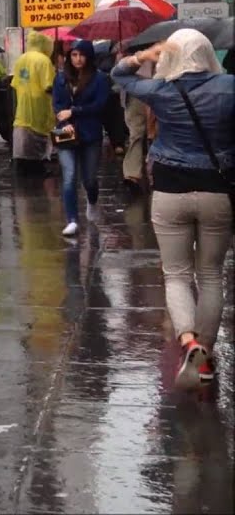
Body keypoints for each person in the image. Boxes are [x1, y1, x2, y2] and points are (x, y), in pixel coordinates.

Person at [112, 30, 233, 390]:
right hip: (217, 190)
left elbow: (119, 75)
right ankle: (206, 354)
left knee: (176, 274)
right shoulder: (228, 87)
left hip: (169, 191)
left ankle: (189, 343)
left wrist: (144, 55)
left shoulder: (162, 91)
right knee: (211, 273)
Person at [53, 39, 111, 236]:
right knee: (69, 177)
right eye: (74, 55)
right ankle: (72, 220)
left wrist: (75, 111)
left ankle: (92, 201)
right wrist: (63, 119)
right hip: (66, 133)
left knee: (90, 180)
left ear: (89, 57)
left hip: (90, 134)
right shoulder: (61, 78)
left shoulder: (100, 78)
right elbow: (57, 104)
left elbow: (100, 105)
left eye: (82, 55)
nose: (78, 59)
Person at [11, 31, 57, 175]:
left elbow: (15, 83)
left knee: (23, 135)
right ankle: (38, 168)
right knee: (38, 135)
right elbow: (49, 85)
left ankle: (23, 167)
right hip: (40, 105)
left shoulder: (21, 59)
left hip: (23, 105)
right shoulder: (44, 60)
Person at [121, 50, 154, 191]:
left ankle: (138, 173)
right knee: (137, 134)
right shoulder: (127, 52)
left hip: (153, 91)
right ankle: (133, 174)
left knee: (148, 134)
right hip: (136, 93)